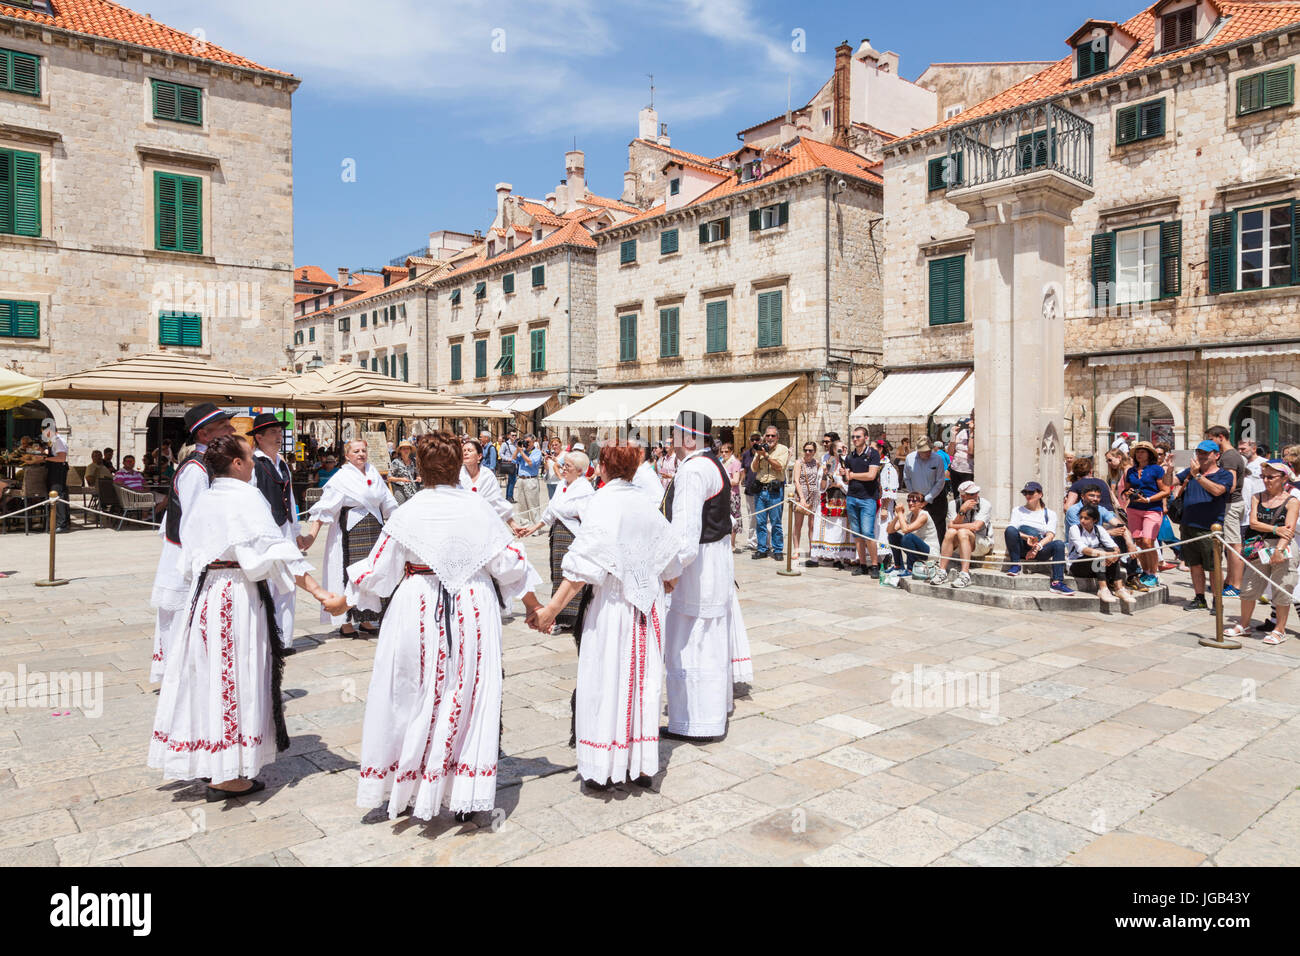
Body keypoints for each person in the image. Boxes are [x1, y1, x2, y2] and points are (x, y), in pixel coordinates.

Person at [323, 432, 543, 822]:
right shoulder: (478, 508)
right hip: (472, 606)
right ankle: (461, 788)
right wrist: (535, 607)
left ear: (420, 469)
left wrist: (342, 599)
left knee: (412, 691)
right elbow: (511, 565)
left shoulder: (409, 511)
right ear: (459, 464)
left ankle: (410, 785)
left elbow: (377, 571)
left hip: (416, 604)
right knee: (467, 693)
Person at [148, 434, 333, 800]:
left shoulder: (204, 499)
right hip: (236, 595)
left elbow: (187, 556)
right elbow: (275, 549)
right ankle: (228, 774)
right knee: (236, 674)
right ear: (236, 463)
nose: (253, 464)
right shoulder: (245, 496)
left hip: (205, 597)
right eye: (249, 458)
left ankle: (212, 760)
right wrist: (318, 590)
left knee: (209, 677)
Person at [530, 443, 682, 789]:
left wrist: (551, 609)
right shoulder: (644, 502)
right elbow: (671, 560)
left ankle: (602, 767)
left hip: (613, 603)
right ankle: (640, 764)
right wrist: (666, 580)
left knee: (606, 677)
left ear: (603, 468)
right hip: (646, 605)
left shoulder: (602, 502)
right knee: (643, 681)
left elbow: (582, 565)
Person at [662, 410, 752, 740]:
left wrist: (671, 571)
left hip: (698, 565)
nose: (670, 440)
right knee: (708, 636)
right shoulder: (711, 462)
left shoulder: (694, 470)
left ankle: (696, 722)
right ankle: (713, 711)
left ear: (688, 438)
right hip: (713, 560)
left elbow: (686, 532)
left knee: (692, 639)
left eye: (673, 434)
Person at [149, 403, 235, 683]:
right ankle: (180, 677)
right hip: (185, 558)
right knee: (181, 615)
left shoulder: (208, 465)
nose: (232, 430)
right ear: (205, 435)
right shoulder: (197, 470)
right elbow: (194, 523)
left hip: (192, 555)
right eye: (224, 427)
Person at [298, 439, 398, 637]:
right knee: (348, 573)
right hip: (350, 532)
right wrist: (311, 536)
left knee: (372, 572)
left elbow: (388, 502)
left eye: (363, 450)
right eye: (356, 451)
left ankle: (367, 618)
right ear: (347, 456)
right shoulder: (341, 478)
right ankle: (346, 622)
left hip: (374, 530)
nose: (361, 454)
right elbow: (323, 509)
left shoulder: (373, 473)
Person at [518, 450, 594, 633]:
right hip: (558, 535)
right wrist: (533, 528)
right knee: (558, 573)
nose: (562, 469)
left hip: (572, 536)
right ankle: (561, 615)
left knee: (572, 575)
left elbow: (587, 517)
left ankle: (574, 616)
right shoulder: (562, 486)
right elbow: (551, 512)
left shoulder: (584, 490)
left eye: (567, 466)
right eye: (563, 465)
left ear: (579, 470)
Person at [1223, 460, 1298, 644]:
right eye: (1263, 476)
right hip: (1260, 545)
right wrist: (1275, 529)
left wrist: (1279, 549)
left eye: (1271, 477)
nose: (1266, 480)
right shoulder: (1257, 497)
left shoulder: (1292, 501)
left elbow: (1288, 530)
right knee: (1249, 586)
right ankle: (1244, 624)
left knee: (1282, 588)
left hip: (1284, 547)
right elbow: (1253, 522)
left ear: (1283, 478)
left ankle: (1279, 630)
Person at [249, 413, 301, 653]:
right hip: (265, 533)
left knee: (288, 584)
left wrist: (296, 529)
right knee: (268, 586)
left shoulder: (282, 463)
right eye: (273, 432)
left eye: (280, 432)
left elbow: (289, 498)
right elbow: (250, 498)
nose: (279, 436)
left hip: (285, 531)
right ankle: (266, 639)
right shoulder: (253, 464)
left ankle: (283, 640)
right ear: (259, 437)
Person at [1175, 440, 1234, 611]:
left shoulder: (1224, 475)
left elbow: (1218, 491)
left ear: (1216, 455)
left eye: (1206, 453)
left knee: (1213, 566)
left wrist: (1198, 476)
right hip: (1188, 525)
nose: (1201, 456)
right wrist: (1170, 467)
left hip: (1210, 528)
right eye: (1199, 452)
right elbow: (1168, 482)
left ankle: (1217, 600)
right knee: (1194, 564)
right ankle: (1199, 597)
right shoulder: (1191, 471)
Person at [1004, 480, 1073, 593]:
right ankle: (1015, 564)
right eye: (1025, 493)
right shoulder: (1018, 510)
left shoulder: (1050, 514)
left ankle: (1057, 582)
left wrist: (1037, 546)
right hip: (1022, 546)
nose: (1027, 495)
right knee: (1010, 530)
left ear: (1040, 494)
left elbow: (1050, 535)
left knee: (1059, 544)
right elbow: (1014, 530)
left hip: (1040, 547)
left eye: (1030, 492)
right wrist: (1027, 537)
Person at [1119, 441, 1168, 588]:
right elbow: (1127, 489)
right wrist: (1127, 493)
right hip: (1134, 509)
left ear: (1149, 454)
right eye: (1138, 451)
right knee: (1139, 543)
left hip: (1152, 508)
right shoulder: (1131, 471)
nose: (1140, 453)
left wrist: (1148, 499)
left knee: (1148, 542)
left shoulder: (1157, 469)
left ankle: (1153, 573)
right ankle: (1145, 571)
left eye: (1143, 451)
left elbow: (1165, 490)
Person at [1067, 504, 1136, 607]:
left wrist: (1113, 554)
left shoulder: (1099, 529)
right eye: (1081, 517)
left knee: (1111, 552)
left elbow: (1115, 547)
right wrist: (1104, 554)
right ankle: (1103, 588)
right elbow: (1083, 549)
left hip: (1096, 565)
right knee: (1100, 552)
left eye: (1086, 518)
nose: (1082, 521)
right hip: (1078, 565)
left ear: (1094, 520)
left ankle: (1119, 588)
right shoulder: (1075, 529)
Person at [1206, 425, 1246, 597]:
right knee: (1229, 544)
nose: (1210, 443)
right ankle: (1229, 581)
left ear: (1220, 437)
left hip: (1231, 503)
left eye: (1211, 439)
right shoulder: (1230, 455)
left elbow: (1231, 484)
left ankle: (1236, 585)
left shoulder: (1229, 457)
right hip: (1230, 504)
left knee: (1234, 545)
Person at [930, 481, 993, 587]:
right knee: (950, 532)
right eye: (972, 494)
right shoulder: (953, 504)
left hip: (982, 543)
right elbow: (950, 527)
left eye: (977, 492)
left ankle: (965, 574)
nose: (976, 496)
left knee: (962, 532)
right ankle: (942, 572)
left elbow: (976, 527)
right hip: (960, 543)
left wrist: (954, 526)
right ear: (963, 496)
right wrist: (962, 511)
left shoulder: (985, 504)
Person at [836, 427, 881, 575]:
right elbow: (848, 479)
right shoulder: (850, 457)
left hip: (868, 498)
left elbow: (871, 475)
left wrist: (853, 475)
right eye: (853, 437)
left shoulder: (873, 454)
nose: (855, 439)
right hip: (852, 497)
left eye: (858, 437)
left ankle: (874, 565)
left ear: (866, 438)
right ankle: (862, 564)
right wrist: (844, 475)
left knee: (868, 532)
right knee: (856, 533)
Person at [808, 442, 855, 569]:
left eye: (845, 447)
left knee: (840, 528)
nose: (843, 450)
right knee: (823, 527)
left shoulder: (848, 464)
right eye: (840, 448)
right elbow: (821, 487)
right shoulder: (826, 464)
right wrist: (825, 474)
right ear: (834, 450)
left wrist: (841, 484)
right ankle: (815, 556)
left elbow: (851, 484)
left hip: (842, 500)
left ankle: (838, 558)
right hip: (828, 500)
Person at [749, 425, 788, 560]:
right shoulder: (761, 448)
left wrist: (765, 456)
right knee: (760, 522)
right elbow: (754, 469)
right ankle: (762, 548)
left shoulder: (783, 449)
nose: (770, 438)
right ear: (764, 436)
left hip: (774, 491)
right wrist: (757, 456)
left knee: (776, 521)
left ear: (777, 437)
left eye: (773, 436)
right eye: (768, 435)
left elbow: (779, 466)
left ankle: (777, 549)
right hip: (760, 490)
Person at [905, 436, 949, 542]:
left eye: (929, 450)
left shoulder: (937, 459)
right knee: (918, 527)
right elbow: (907, 478)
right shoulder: (910, 458)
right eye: (925, 451)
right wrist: (914, 496)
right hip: (917, 498)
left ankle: (938, 554)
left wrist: (928, 498)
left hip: (936, 497)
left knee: (938, 527)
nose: (928, 453)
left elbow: (940, 480)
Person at [888, 492, 939, 576]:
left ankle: (910, 569)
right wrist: (897, 516)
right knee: (893, 536)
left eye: (914, 501)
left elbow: (905, 530)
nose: (910, 503)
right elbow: (890, 531)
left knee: (908, 536)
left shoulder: (924, 515)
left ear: (922, 504)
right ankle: (898, 566)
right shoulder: (909, 515)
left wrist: (900, 513)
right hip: (917, 548)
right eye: (909, 500)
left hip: (929, 551)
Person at [791, 441, 820, 561]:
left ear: (814, 452)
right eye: (806, 450)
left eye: (810, 450)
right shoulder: (799, 462)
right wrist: (802, 497)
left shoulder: (816, 463)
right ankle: (796, 550)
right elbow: (796, 480)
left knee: (812, 525)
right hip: (801, 494)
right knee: (798, 524)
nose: (808, 453)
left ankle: (812, 549)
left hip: (814, 495)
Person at [42, 424, 70, 533]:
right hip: (54, 470)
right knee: (57, 495)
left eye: (45, 432)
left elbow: (61, 458)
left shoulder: (59, 441)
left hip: (58, 471)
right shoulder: (54, 441)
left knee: (58, 495)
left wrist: (46, 459)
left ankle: (62, 524)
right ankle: (59, 522)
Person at [875, 439, 899, 564]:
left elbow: (889, 487)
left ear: (880, 449)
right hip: (875, 503)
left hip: (884, 505)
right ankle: (878, 559)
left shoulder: (888, 467)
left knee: (883, 529)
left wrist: (884, 507)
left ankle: (886, 557)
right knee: (877, 530)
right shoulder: (877, 464)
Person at [513, 434, 544, 525]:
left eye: (528, 442)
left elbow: (530, 463)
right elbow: (514, 459)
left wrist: (522, 453)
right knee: (522, 504)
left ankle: (536, 526)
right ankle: (524, 525)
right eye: (525, 441)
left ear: (534, 442)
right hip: (521, 479)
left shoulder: (537, 452)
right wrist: (518, 449)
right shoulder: (522, 451)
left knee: (533, 504)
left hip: (531, 480)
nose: (526, 444)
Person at [720, 441, 743, 551]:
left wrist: (722, 481)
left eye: (726, 451)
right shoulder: (721, 462)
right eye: (722, 451)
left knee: (733, 519)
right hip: (722, 495)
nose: (724, 454)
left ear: (731, 451)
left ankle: (732, 544)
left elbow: (736, 480)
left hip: (732, 495)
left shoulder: (735, 463)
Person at [740, 432, 761, 550]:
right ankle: (752, 542)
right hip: (750, 490)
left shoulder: (763, 453)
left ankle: (764, 542)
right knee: (752, 517)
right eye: (752, 439)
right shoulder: (746, 454)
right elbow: (744, 469)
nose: (754, 442)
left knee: (763, 518)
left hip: (762, 490)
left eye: (757, 439)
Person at [388, 439, 420, 505]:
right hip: (400, 490)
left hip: (412, 490)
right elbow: (389, 478)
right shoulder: (396, 462)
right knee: (400, 509)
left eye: (408, 448)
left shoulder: (413, 461)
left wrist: (418, 478)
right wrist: (401, 479)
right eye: (404, 449)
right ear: (400, 450)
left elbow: (417, 474)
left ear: (410, 450)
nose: (406, 450)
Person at [949, 415, 974, 492]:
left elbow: (971, 452)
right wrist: (953, 436)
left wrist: (971, 432)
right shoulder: (963, 432)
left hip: (968, 471)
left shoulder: (975, 434)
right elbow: (951, 452)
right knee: (957, 495)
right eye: (971, 415)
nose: (971, 418)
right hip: (955, 469)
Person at [501, 429, 520, 502]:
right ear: (509, 436)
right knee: (512, 480)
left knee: (512, 481)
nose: (514, 437)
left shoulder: (516, 444)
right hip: (509, 465)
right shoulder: (505, 444)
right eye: (513, 435)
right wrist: (507, 458)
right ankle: (509, 497)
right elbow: (501, 453)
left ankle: (509, 496)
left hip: (515, 464)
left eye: (515, 435)